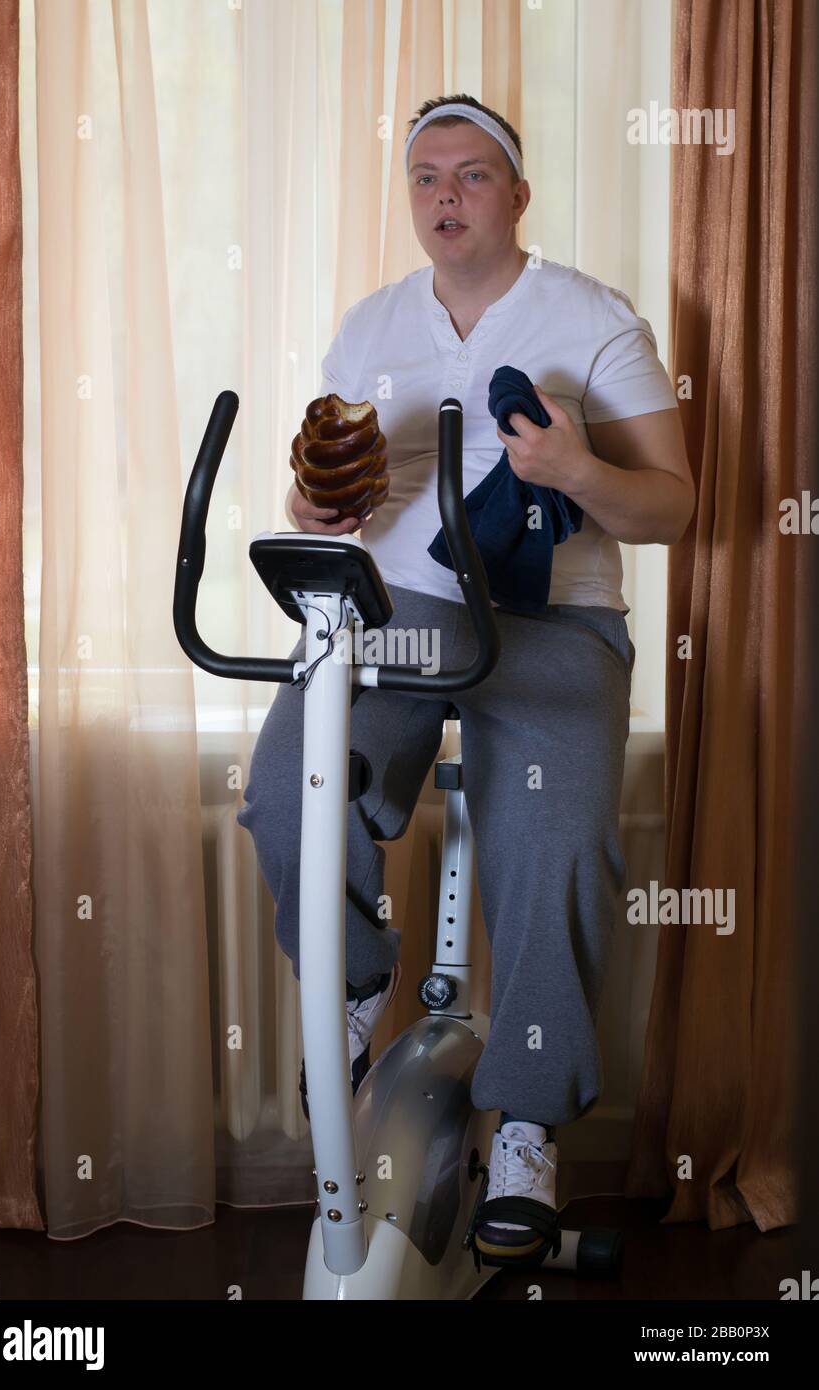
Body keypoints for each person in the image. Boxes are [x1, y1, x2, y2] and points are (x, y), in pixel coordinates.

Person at [237, 94, 694, 1264]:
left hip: (546, 618)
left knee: (558, 830)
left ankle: (530, 1120)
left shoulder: (590, 316)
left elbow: (672, 503)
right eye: (426, 177)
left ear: (516, 194)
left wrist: (576, 465)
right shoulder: (371, 324)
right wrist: (312, 506)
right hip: (392, 610)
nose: (445, 196)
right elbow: (335, 483)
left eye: (472, 175)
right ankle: (352, 983)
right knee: (292, 775)